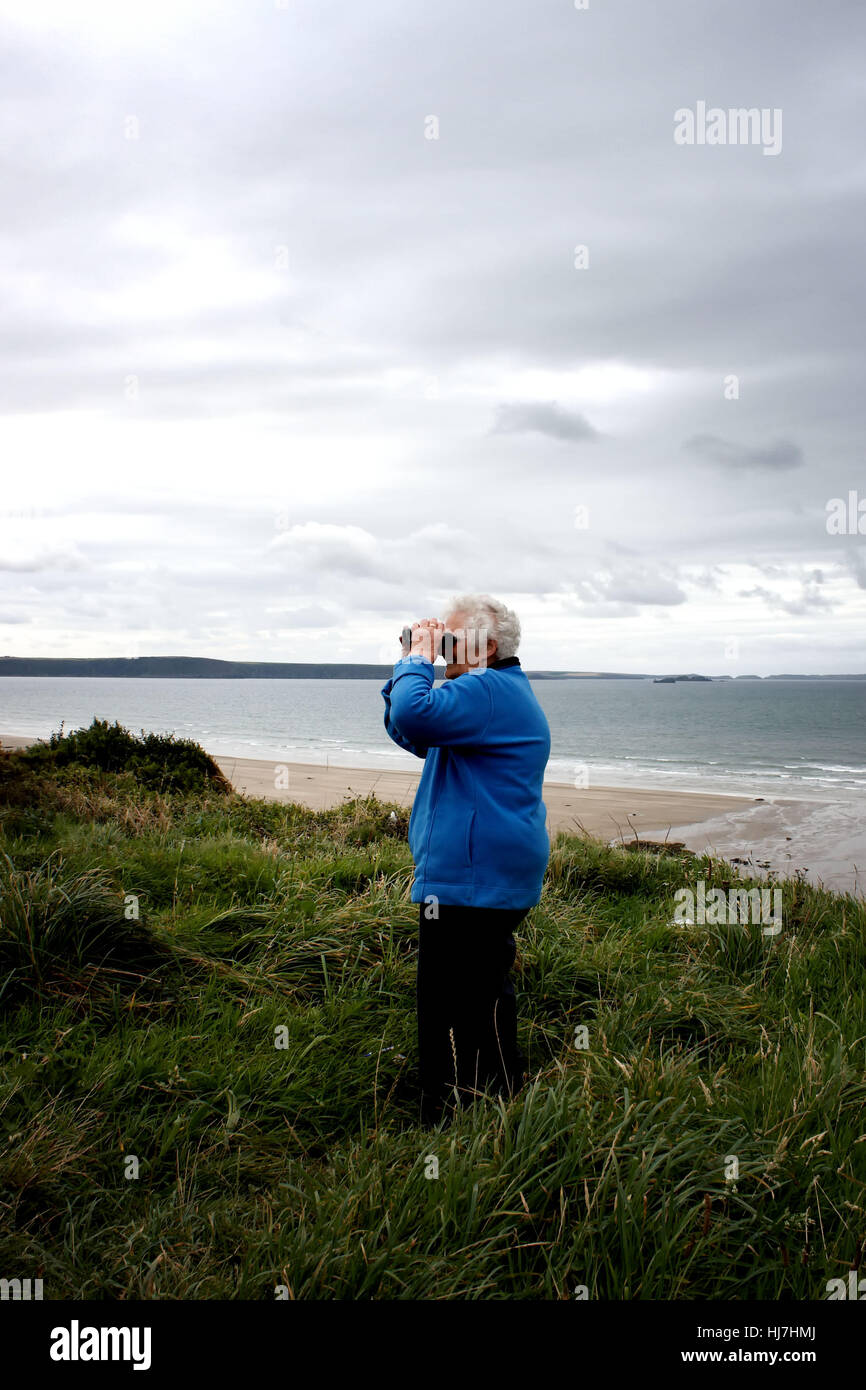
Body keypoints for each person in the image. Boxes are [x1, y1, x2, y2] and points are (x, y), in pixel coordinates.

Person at [380, 593, 551, 1125]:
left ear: (489, 646)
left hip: (474, 878)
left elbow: (414, 710)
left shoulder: (488, 689)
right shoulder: (490, 695)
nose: (444, 650)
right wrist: (414, 659)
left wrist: (415, 662)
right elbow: (408, 728)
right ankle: (494, 1103)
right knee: (474, 993)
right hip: (481, 875)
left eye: (453, 641)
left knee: (450, 1000)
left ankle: (449, 1116)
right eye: (442, 640)